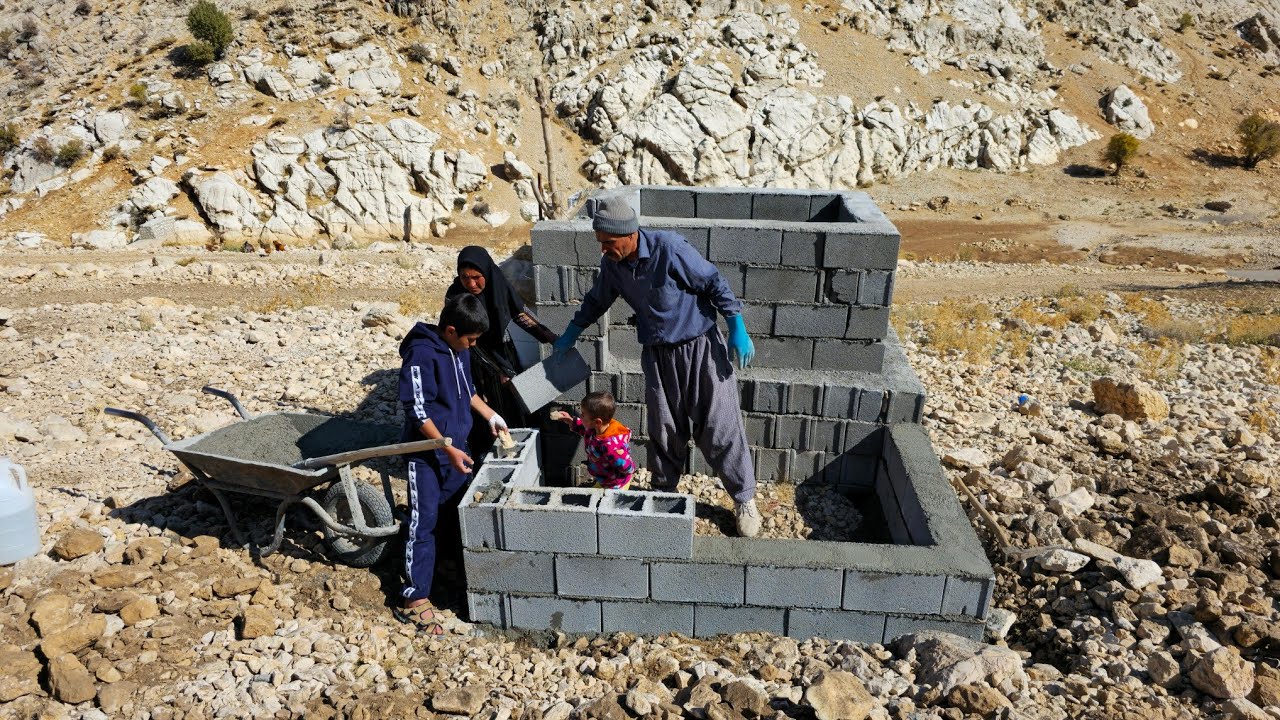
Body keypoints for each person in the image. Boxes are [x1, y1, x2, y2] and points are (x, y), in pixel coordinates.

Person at [551, 195, 762, 537]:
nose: (603, 249)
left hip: (700, 348)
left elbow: (713, 281)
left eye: (609, 242)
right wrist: (571, 333)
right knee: (664, 429)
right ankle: (664, 494)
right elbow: (596, 301)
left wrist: (736, 325)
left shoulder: (670, 248)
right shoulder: (613, 265)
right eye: (600, 243)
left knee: (720, 426)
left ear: (630, 234)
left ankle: (743, 497)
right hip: (658, 355)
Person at [395, 293, 509, 633]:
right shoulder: (420, 355)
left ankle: (442, 571)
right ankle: (414, 597)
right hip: (427, 454)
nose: (472, 346)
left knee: (450, 514)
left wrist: (490, 416)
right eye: (470, 340)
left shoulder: (459, 352)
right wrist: (446, 449)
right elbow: (417, 410)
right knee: (423, 520)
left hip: (455, 449)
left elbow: (468, 390)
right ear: (449, 330)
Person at [445, 246, 557, 459]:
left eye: (477, 277)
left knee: (517, 401)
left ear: (486, 272)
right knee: (490, 406)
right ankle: (494, 453)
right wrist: (497, 371)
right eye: (465, 278)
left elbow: (519, 314)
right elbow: (466, 342)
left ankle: (526, 450)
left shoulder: (498, 285)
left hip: (504, 353)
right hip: (474, 358)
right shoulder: (455, 298)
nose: (471, 284)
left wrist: (550, 337)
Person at [551, 391, 635, 490]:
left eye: (583, 414)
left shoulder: (611, 447)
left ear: (597, 422)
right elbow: (584, 428)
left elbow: (628, 468)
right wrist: (570, 420)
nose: (580, 416)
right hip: (604, 479)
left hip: (615, 485)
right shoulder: (595, 429)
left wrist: (626, 472)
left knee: (604, 504)